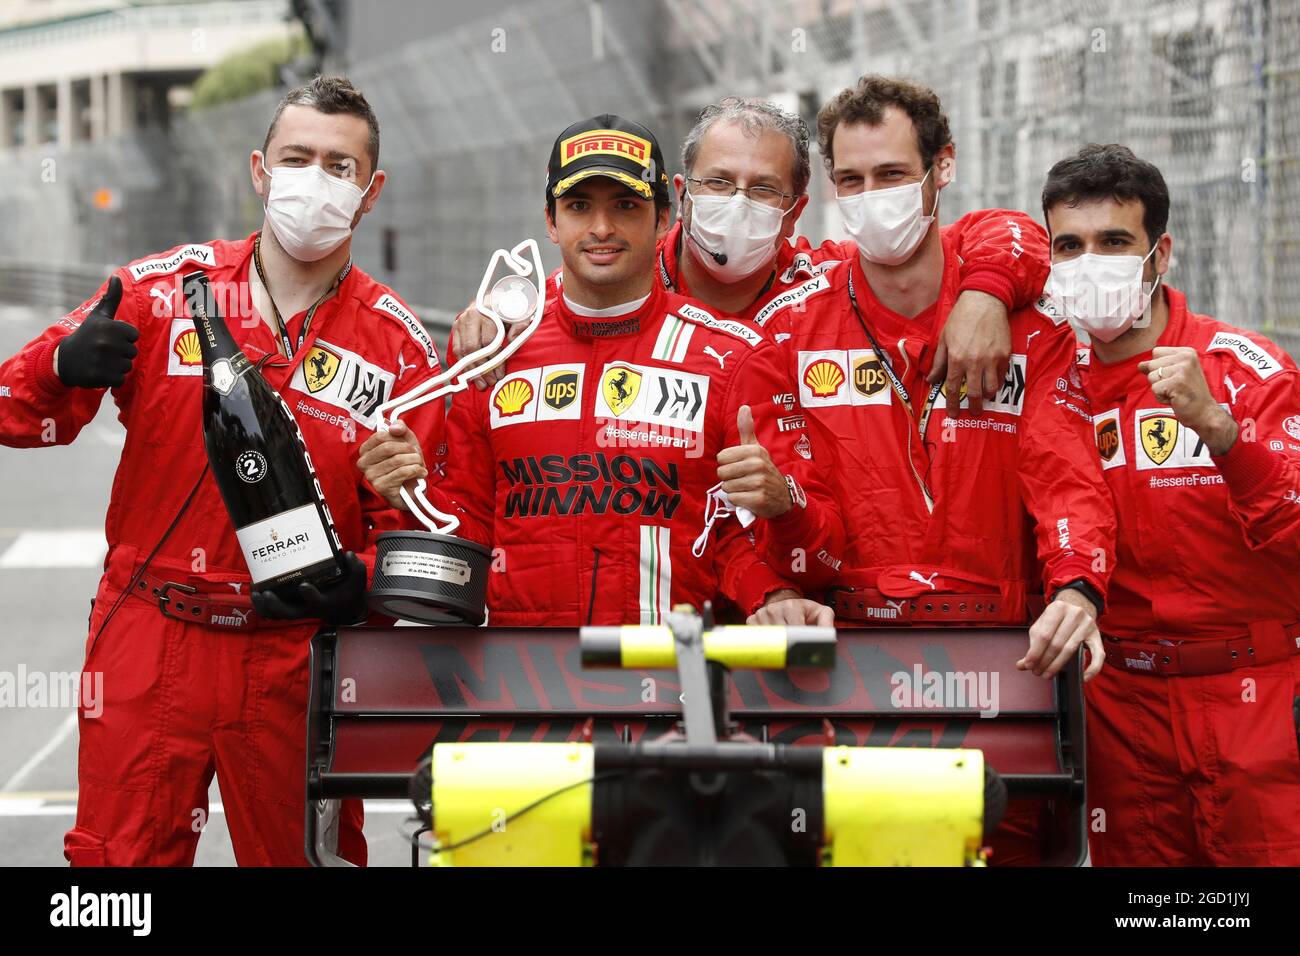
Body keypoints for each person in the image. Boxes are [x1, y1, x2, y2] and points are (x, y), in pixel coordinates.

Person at [0, 76, 444, 866]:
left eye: (339, 167)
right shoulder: (158, 290)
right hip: (150, 631)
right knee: (113, 876)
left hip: (292, 652)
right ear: (258, 171)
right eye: (297, 157)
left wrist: (365, 580)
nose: (314, 180)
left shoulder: (401, 347)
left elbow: (427, 522)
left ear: (371, 193)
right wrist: (61, 367)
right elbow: (13, 412)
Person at [756, 76, 1117, 864]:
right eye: (850, 181)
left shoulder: (1032, 323)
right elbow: (789, 507)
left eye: (891, 175)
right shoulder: (790, 327)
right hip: (852, 669)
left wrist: (1079, 586)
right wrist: (778, 587)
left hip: (1002, 668)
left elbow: (1066, 478)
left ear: (941, 168)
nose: (870, 197)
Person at [360, 114, 843, 625]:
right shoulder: (497, 356)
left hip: (668, 683)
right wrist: (411, 493)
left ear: (662, 220)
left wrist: (775, 568)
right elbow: (471, 528)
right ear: (551, 221)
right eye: (578, 206)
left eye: (626, 206)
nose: (601, 229)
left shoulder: (734, 357)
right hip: (523, 685)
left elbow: (795, 545)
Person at [450, 96, 1050, 416]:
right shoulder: (611, 279)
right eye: (717, 183)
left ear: (794, 209)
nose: (738, 203)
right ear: (679, 197)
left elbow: (1000, 228)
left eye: (763, 189)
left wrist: (987, 291)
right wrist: (484, 322)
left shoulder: (820, 279)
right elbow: (532, 320)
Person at [1042, 143, 1300, 865]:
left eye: (1114, 242)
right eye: (1070, 245)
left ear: (1161, 254)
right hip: (1121, 709)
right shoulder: (1051, 384)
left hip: (1255, 700)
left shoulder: (1244, 369)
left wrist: (1222, 432)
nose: (1090, 262)